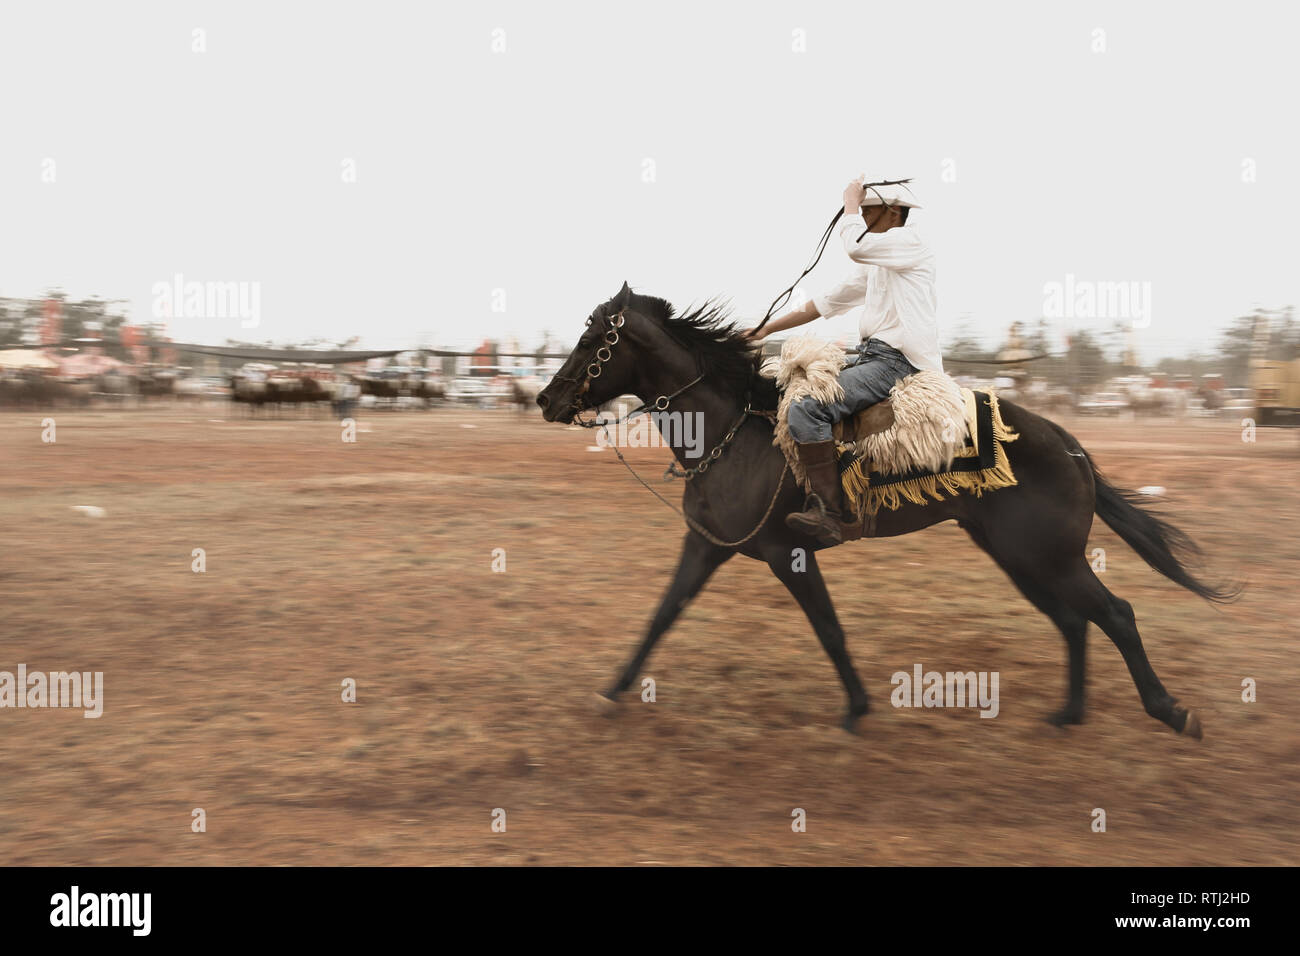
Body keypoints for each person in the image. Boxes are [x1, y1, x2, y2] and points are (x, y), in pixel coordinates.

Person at [747, 175, 942, 545]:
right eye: (863, 210)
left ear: (895, 212)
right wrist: (764, 330)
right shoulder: (878, 263)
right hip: (875, 359)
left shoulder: (909, 242)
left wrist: (849, 202)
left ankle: (831, 514)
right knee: (785, 389)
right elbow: (824, 303)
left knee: (806, 408)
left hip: (898, 364)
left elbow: (854, 247)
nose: (863, 217)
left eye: (870, 210)